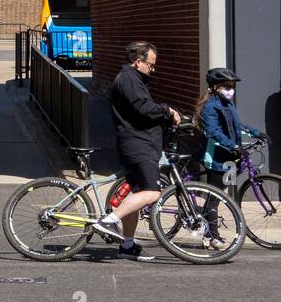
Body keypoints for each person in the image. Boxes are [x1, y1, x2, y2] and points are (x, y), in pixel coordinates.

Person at [95, 42, 181, 260]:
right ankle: (109, 221)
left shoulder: (134, 79)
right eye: (151, 65)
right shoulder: (129, 79)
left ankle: (127, 245)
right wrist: (167, 110)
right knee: (152, 192)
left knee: (136, 195)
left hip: (140, 142)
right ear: (139, 62)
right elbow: (142, 108)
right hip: (137, 144)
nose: (153, 69)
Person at [195, 67, 259, 252]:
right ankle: (209, 235)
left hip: (229, 157)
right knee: (215, 197)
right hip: (215, 156)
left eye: (232, 86)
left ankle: (209, 231)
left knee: (220, 194)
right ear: (215, 87)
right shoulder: (210, 106)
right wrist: (232, 145)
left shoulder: (227, 104)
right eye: (226, 86)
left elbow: (238, 126)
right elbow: (213, 132)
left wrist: (256, 133)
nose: (230, 89)